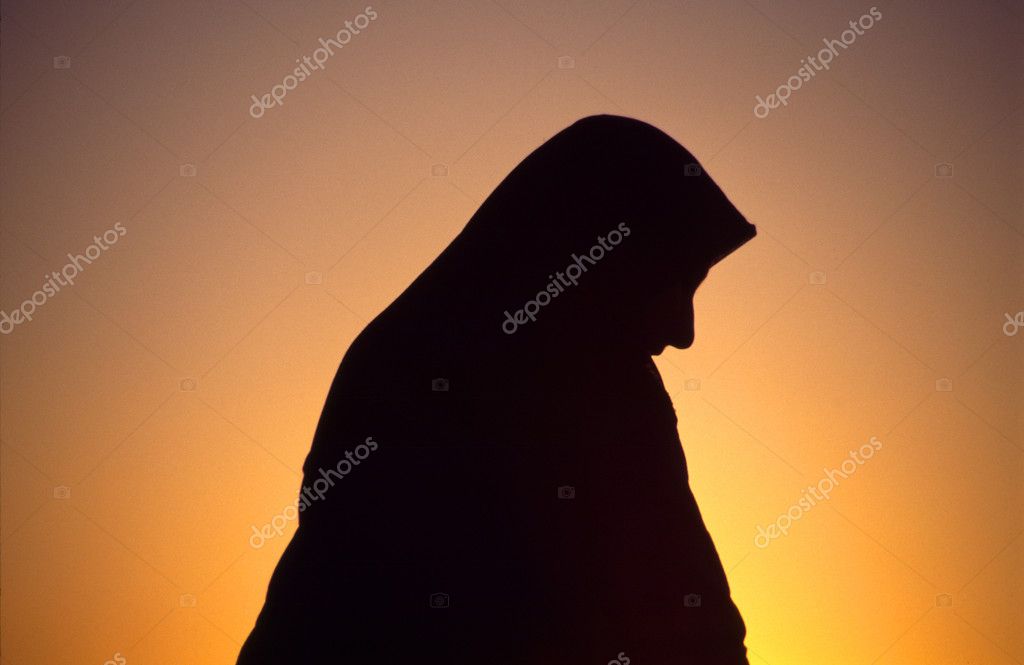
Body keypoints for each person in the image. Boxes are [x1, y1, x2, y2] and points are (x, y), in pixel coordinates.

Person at [238, 114, 757, 664]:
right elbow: (690, 625)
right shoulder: (590, 382)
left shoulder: (395, 356)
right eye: (676, 280)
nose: (684, 332)